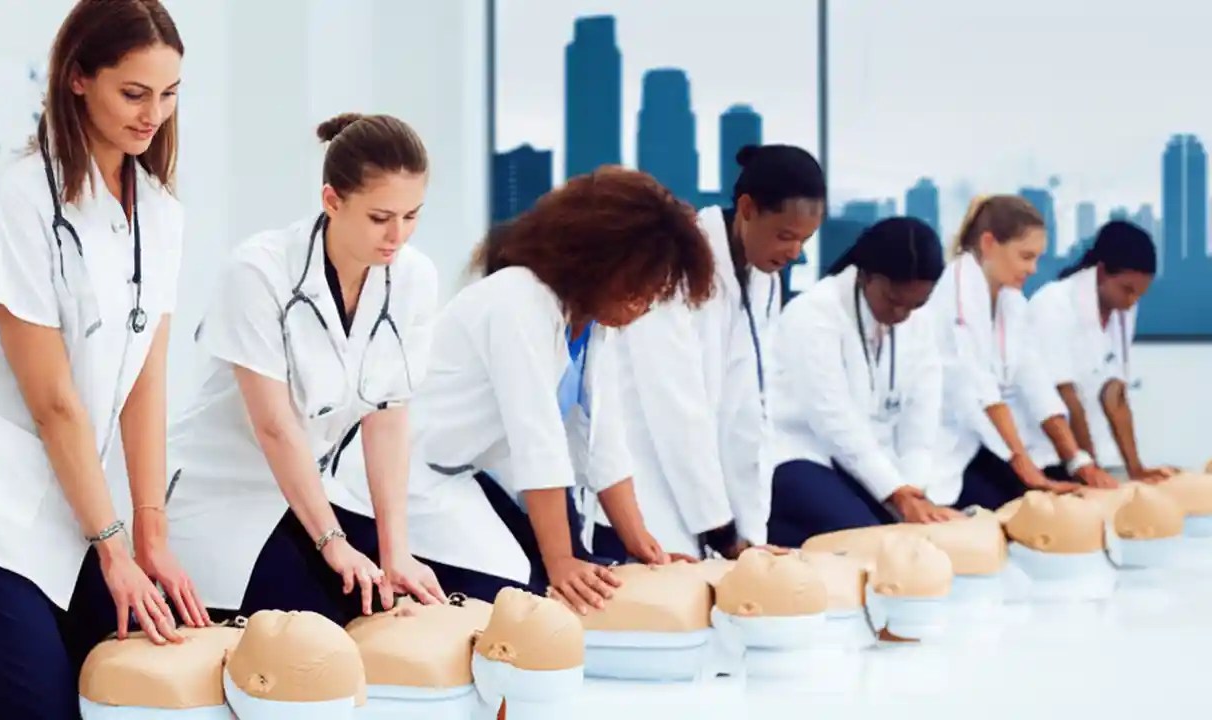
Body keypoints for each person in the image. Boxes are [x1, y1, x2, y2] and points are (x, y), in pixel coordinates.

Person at [0, 2, 202, 718]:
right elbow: (53, 401)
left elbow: (147, 382)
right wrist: (114, 552)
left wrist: (151, 536)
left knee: (122, 688)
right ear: (78, 79)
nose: (154, 115)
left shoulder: (161, 215)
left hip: (80, 509)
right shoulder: (16, 204)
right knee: (43, 707)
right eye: (134, 93)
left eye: (170, 93)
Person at [166, 113, 448, 627]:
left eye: (412, 216)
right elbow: (274, 426)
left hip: (306, 496)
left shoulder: (414, 279)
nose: (397, 236)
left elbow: (386, 418)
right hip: (221, 495)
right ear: (332, 201)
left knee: (395, 610)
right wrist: (334, 543)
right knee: (319, 632)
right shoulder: (259, 271)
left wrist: (396, 550)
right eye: (381, 217)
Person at [398, 167, 717, 613]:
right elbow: (538, 439)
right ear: (596, 261)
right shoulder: (517, 300)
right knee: (520, 591)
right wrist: (562, 561)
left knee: (564, 579)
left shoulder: (588, 326)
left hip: (457, 477)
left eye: (654, 292)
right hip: (406, 478)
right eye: (639, 287)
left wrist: (645, 548)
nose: (644, 304)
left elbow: (603, 439)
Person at [590, 144, 826, 562]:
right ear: (748, 208)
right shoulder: (673, 261)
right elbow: (676, 408)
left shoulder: (763, 278)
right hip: (637, 487)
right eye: (786, 236)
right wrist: (721, 529)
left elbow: (747, 414)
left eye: (805, 240)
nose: (795, 253)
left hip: (704, 501)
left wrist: (748, 536)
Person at [765, 217, 957, 548]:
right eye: (894, 301)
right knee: (876, 545)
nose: (902, 314)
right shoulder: (812, 315)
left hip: (868, 466)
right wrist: (897, 494)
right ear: (866, 276)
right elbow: (834, 422)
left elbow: (920, 425)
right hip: (799, 455)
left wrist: (914, 491)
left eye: (916, 305)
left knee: (924, 538)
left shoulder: (919, 323)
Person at [925, 195, 1117, 513]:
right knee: (1030, 507)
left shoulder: (1011, 301)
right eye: (1025, 256)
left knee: (1068, 491)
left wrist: (1078, 460)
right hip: (950, 445)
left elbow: (1036, 382)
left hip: (989, 442)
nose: (1032, 269)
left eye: (1037, 258)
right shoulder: (956, 293)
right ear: (989, 243)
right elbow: (979, 391)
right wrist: (1023, 464)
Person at [1027, 220, 1174, 482]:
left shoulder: (1122, 310)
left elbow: (1114, 394)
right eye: (1127, 290)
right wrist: (1088, 468)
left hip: (1086, 458)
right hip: (1042, 457)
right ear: (1103, 271)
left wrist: (1135, 469)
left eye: (1139, 294)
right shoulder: (1052, 304)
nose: (1131, 303)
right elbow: (1066, 399)